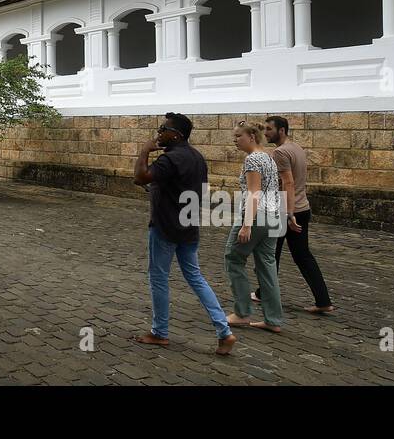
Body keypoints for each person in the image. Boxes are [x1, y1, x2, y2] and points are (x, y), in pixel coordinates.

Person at [131, 112, 236, 356]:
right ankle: (224, 332)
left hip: (166, 228)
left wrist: (145, 151)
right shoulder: (197, 157)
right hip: (189, 227)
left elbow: (139, 177)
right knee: (196, 278)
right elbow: (187, 188)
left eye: (162, 129)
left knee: (159, 278)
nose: (158, 133)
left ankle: (160, 332)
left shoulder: (170, 159)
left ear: (176, 134)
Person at [255, 116, 334, 315]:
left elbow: (287, 182)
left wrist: (289, 214)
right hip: (302, 207)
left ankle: (264, 293)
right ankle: (323, 300)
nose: (266, 133)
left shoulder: (280, 152)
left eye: (269, 129)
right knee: (301, 255)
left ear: (281, 130)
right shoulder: (296, 148)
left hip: (286, 211)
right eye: (264, 129)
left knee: (269, 254)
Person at [225, 121, 284, 334]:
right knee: (267, 266)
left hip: (257, 217)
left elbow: (253, 193)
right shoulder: (268, 157)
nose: (235, 140)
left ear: (251, 136)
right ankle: (273, 319)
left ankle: (242, 312)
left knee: (233, 258)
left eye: (238, 136)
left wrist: (246, 225)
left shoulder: (252, 160)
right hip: (274, 216)